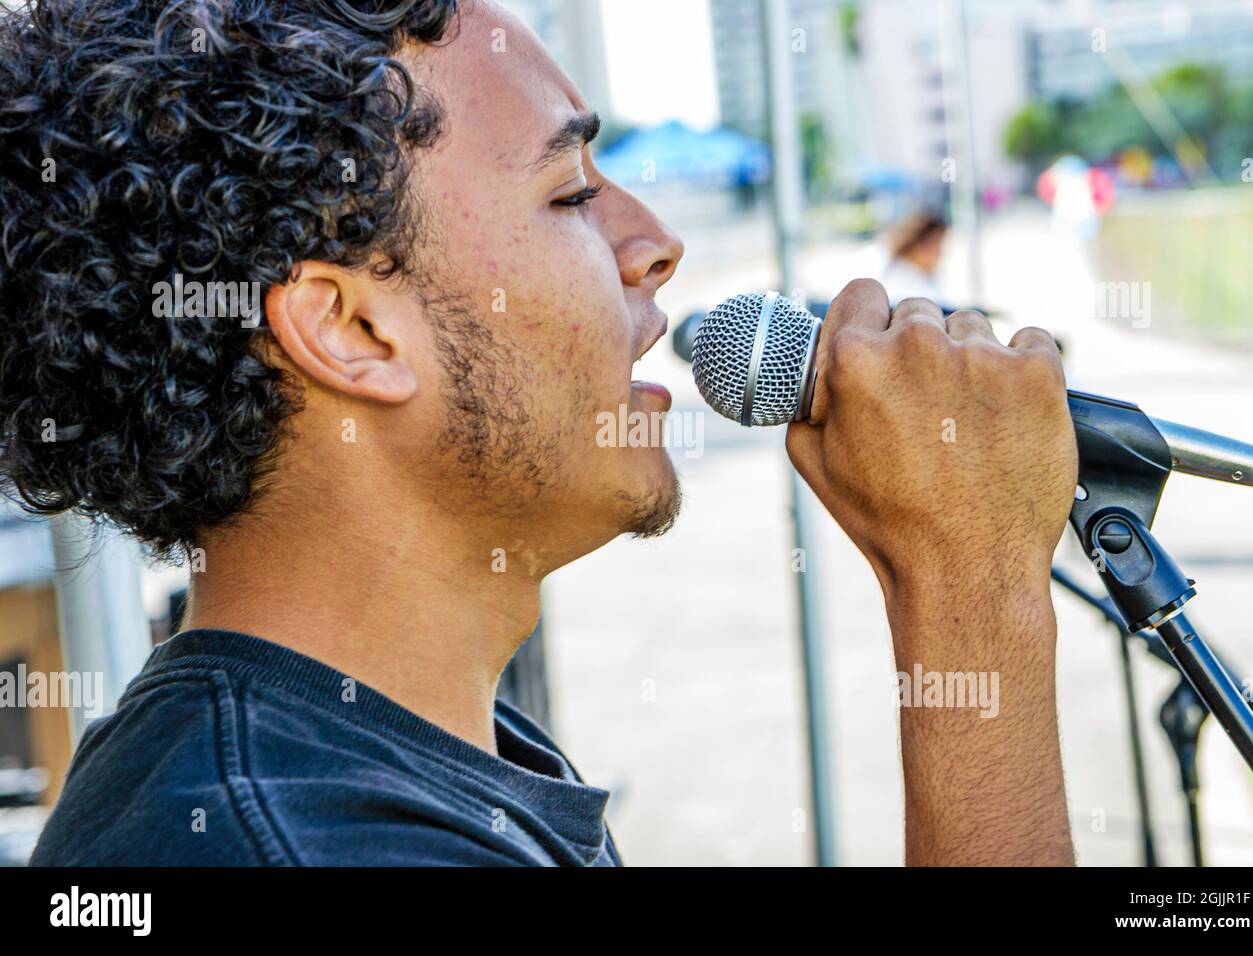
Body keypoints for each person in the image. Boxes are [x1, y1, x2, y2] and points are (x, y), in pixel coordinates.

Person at [2, 0, 1077, 866]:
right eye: (569, 194)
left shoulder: (359, 756)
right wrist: (969, 591)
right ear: (352, 328)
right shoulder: (297, 838)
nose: (654, 245)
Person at [878, 210, 951, 306]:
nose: (938, 250)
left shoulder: (924, 276)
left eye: (940, 242)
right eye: (932, 242)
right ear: (915, 242)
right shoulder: (904, 278)